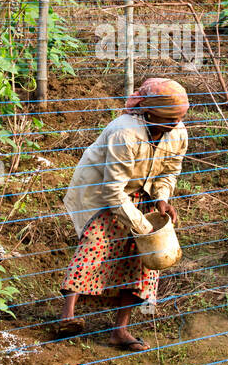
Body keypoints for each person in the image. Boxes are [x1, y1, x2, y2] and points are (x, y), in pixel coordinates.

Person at [56, 77, 189, 351]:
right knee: (95, 246)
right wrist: (142, 224)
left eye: (178, 118)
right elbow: (112, 191)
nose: (175, 124)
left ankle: (120, 330)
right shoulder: (124, 133)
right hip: (104, 192)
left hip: (142, 193)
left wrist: (162, 199)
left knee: (141, 261)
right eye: (169, 119)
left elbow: (170, 170)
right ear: (149, 113)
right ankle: (67, 316)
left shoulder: (177, 133)